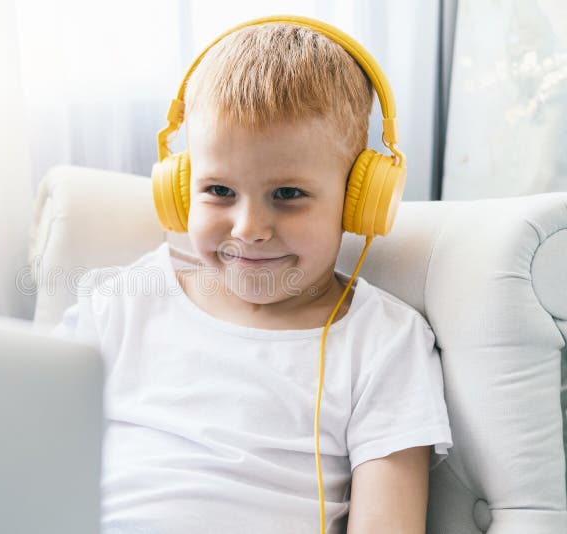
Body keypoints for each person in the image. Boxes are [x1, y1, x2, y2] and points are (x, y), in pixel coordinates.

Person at [51, 17, 452, 534]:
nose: (248, 229)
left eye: (288, 194)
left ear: (360, 201)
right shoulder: (121, 302)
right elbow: (24, 457)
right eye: (219, 191)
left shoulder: (384, 342)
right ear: (180, 189)